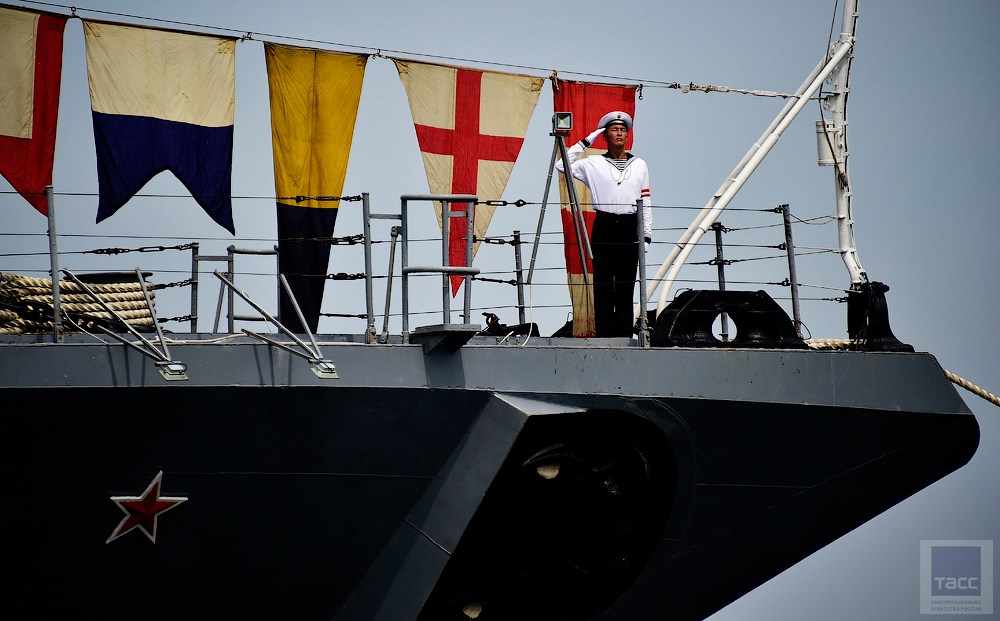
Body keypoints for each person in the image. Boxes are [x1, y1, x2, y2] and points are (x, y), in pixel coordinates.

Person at [555, 111, 652, 337]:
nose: (619, 133)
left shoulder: (639, 164)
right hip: (605, 224)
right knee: (604, 283)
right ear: (605, 136)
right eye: (613, 130)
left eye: (622, 130)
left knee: (627, 283)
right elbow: (562, 165)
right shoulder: (593, 163)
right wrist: (588, 139)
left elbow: (646, 199)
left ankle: (625, 333)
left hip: (630, 225)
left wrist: (646, 234)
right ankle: (606, 333)